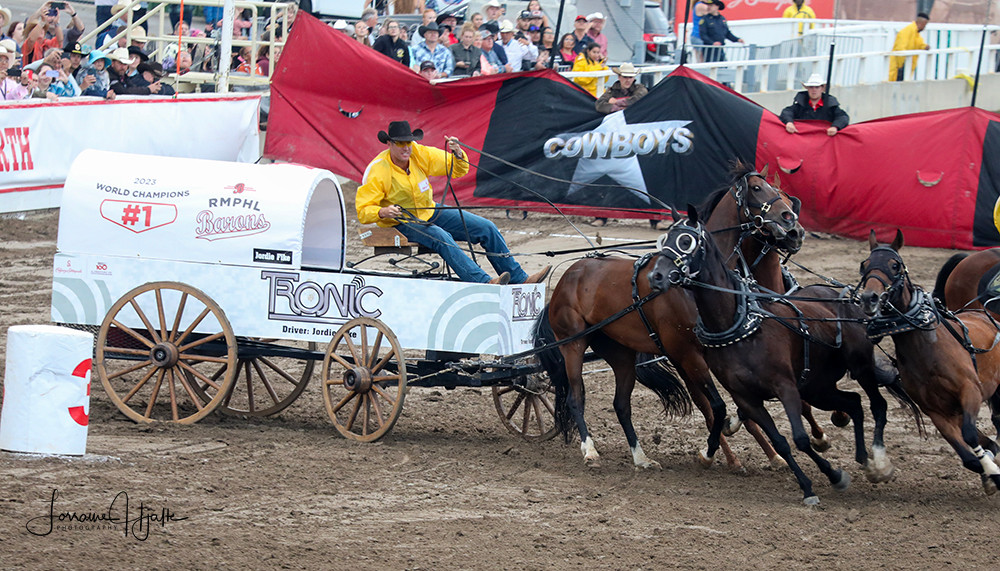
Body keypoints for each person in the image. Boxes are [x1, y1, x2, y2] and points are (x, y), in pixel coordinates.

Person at [357, 121, 551, 285]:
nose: (406, 147)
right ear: (389, 143)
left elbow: (457, 169)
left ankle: (519, 279)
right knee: (441, 236)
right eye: (400, 143)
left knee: (487, 227)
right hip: (402, 221)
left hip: (430, 211)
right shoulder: (378, 169)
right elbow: (364, 211)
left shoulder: (419, 153)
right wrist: (382, 212)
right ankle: (483, 282)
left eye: (408, 142)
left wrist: (457, 153)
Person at [593, 62, 656, 228]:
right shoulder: (611, 90)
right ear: (619, 77)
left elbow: (639, 100)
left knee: (646, 178)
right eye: (625, 77)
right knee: (609, 179)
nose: (628, 80)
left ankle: (655, 218)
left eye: (630, 77)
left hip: (637, 138)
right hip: (618, 139)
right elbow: (599, 105)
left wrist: (615, 103)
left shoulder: (639, 89)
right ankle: (602, 216)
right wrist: (624, 105)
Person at [779, 72, 849, 136]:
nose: (814, 90)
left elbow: (843, 117)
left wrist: (835, 127)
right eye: (811, 87)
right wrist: (789, 122)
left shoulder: (831, 106)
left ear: (822, 89)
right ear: (807, 89)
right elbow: (787, 112)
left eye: (817, 87)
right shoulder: (800, 105)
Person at [889, 13, 930, 82]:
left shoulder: (915, 33)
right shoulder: (908, 31)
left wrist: (924, 46)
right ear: (922, 23)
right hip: (900, 66)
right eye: (925, 25)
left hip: (904, 65)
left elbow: (919, 43)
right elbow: (900, 48)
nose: (924, 28)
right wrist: (901, 65)